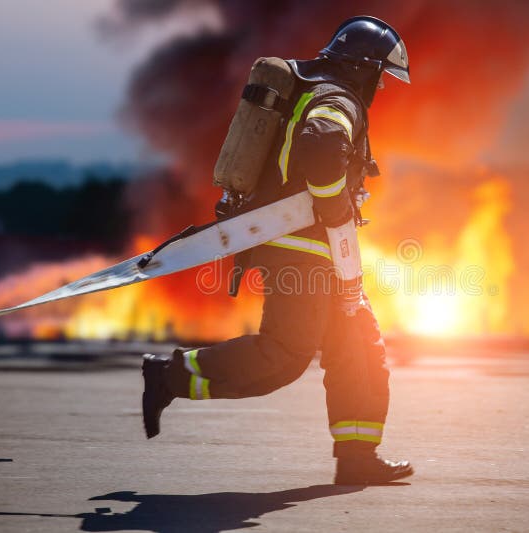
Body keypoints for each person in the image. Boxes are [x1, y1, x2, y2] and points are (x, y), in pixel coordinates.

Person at [141, 16, 413, 485]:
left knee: (359, 348)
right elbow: (322, 143)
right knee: (284, 355)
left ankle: (356, 459)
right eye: (381, 78)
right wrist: (332, 208)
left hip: (316, 249)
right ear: (365, 68)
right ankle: (170, 375)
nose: (381, 89)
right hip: (302, 248)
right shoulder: (336, 98)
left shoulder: (313, 89)